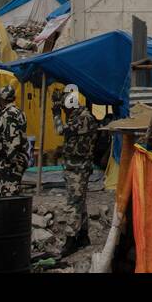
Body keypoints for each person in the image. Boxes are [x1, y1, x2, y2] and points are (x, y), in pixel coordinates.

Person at [52, 85, 98, 257]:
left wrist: (56, 114)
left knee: (72, 204)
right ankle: (83, 236)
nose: (65, 113)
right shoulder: (79, 116)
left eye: (65, 109)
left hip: (79, 168)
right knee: (80, 203)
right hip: (75, 166)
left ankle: (70, 241)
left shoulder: (83, 118)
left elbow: (60, 130)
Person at [0, 85, 28, 196]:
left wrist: (10, 162)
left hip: (10, 162)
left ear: (2, 99)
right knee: (10, 192)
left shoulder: (9, 114)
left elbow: (13, 140)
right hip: (12, 160)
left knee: (8, 195)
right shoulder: (18, 112)